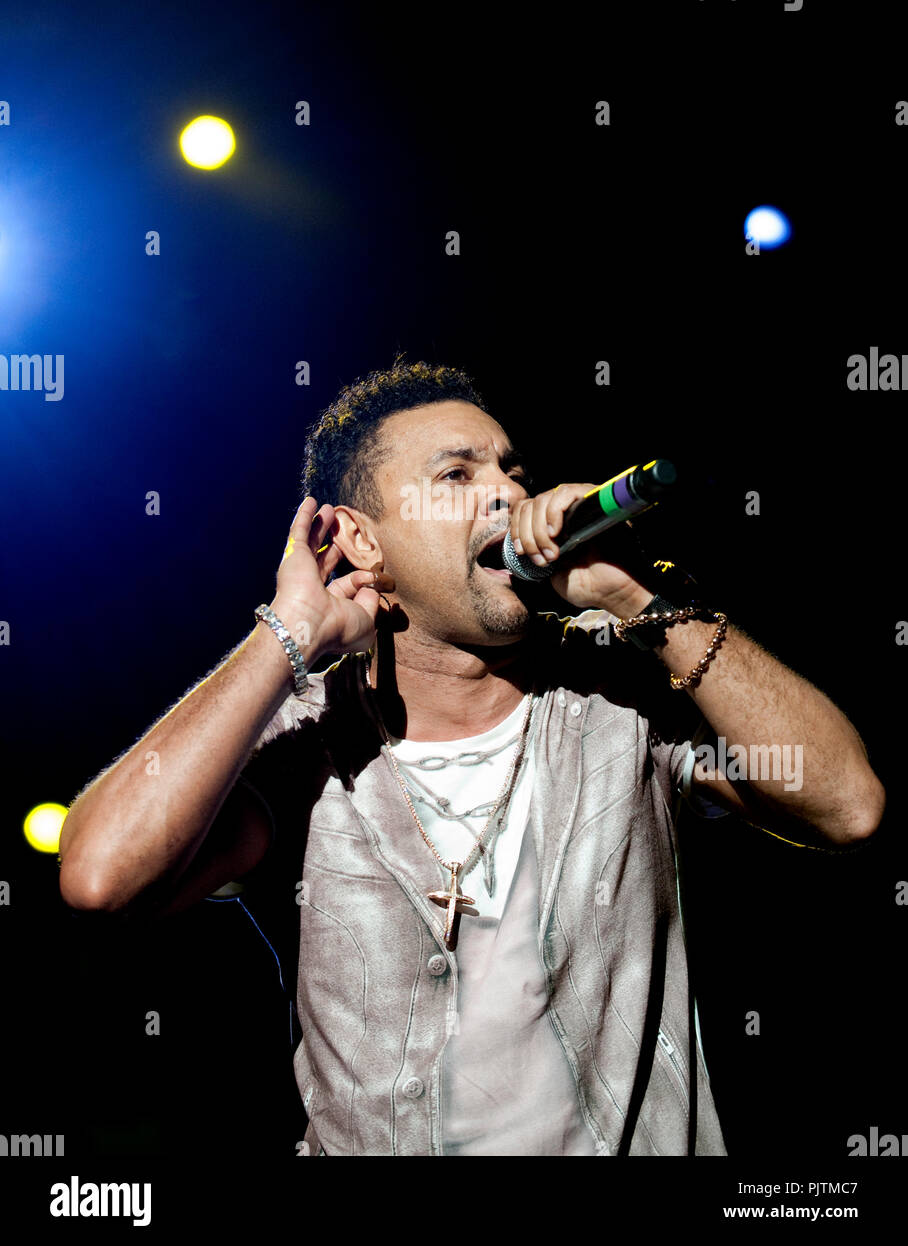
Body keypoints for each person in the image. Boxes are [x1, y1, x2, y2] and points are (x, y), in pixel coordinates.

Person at [58, 358, 885, 1157]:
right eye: (457, 475)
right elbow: (99, 878)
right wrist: (289, 636)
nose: (509, 493)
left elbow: (847, 807)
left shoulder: (621, 691)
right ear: (359, 540)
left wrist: (640, 597)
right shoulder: (304, 743)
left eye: (512, 470)